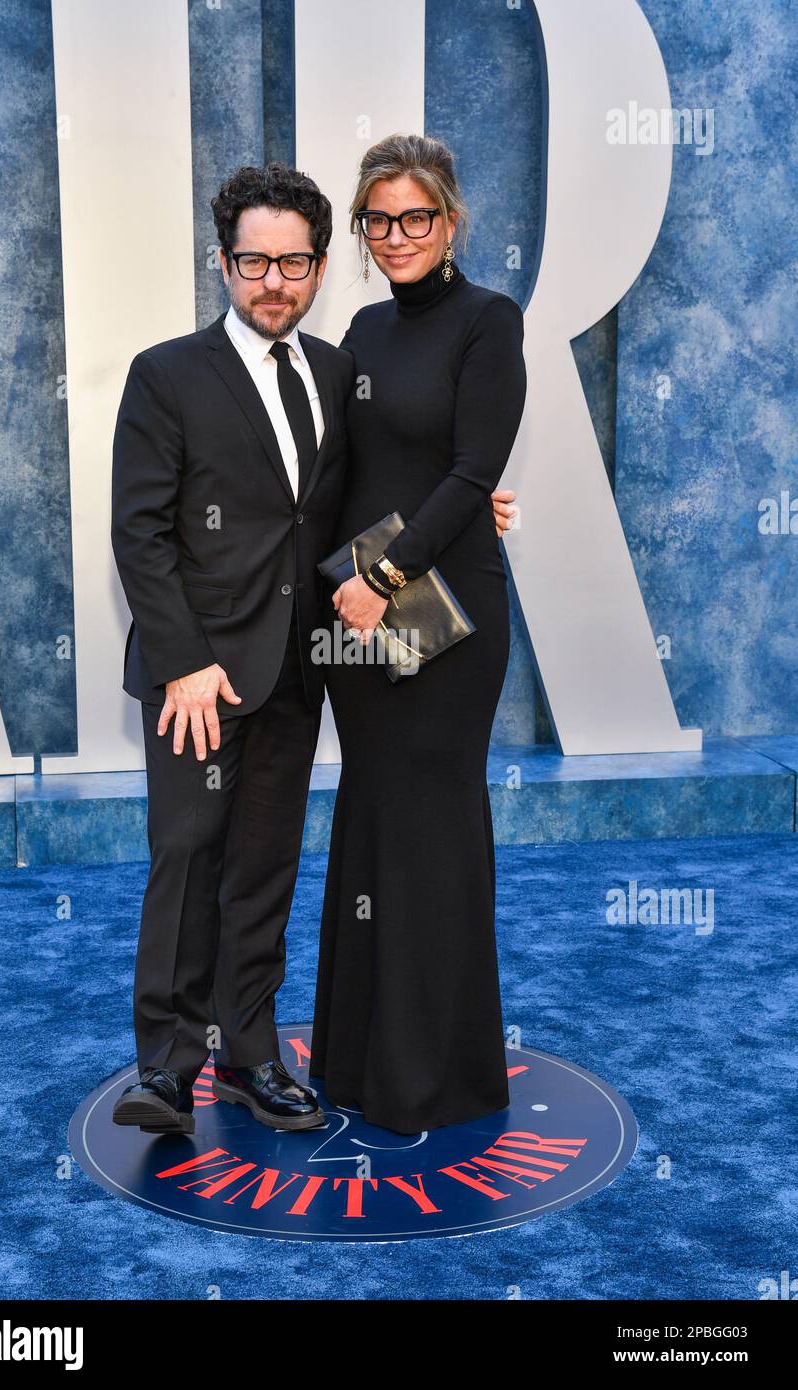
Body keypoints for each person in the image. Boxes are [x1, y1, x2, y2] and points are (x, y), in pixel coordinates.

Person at [108, 158, 519, 1136]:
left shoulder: (341, 371)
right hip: (200, 676)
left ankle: (249, 1056)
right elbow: (139, 531)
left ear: (322, 266)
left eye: (294, 263)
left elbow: (369, 496)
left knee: (262, 870)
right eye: (254, 263)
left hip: (304, 668)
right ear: (223, 265)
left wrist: (470, 518)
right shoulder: (165, 373)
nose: (274, 283)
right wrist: (181, 659)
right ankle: (168, 1069)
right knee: (186, 861)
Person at [309, 133, 527, 1134]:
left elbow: (471, 471)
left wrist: (383, 576)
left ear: (448, 220)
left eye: (414, 217)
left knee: (431, 829)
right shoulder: (359, 324)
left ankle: (435, 1076)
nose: (395, 235)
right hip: (360, 616)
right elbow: (346, 470)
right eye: (377, 219)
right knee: (372, 818)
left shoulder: (489, 321)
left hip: (439, 611)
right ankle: (357, 1063)